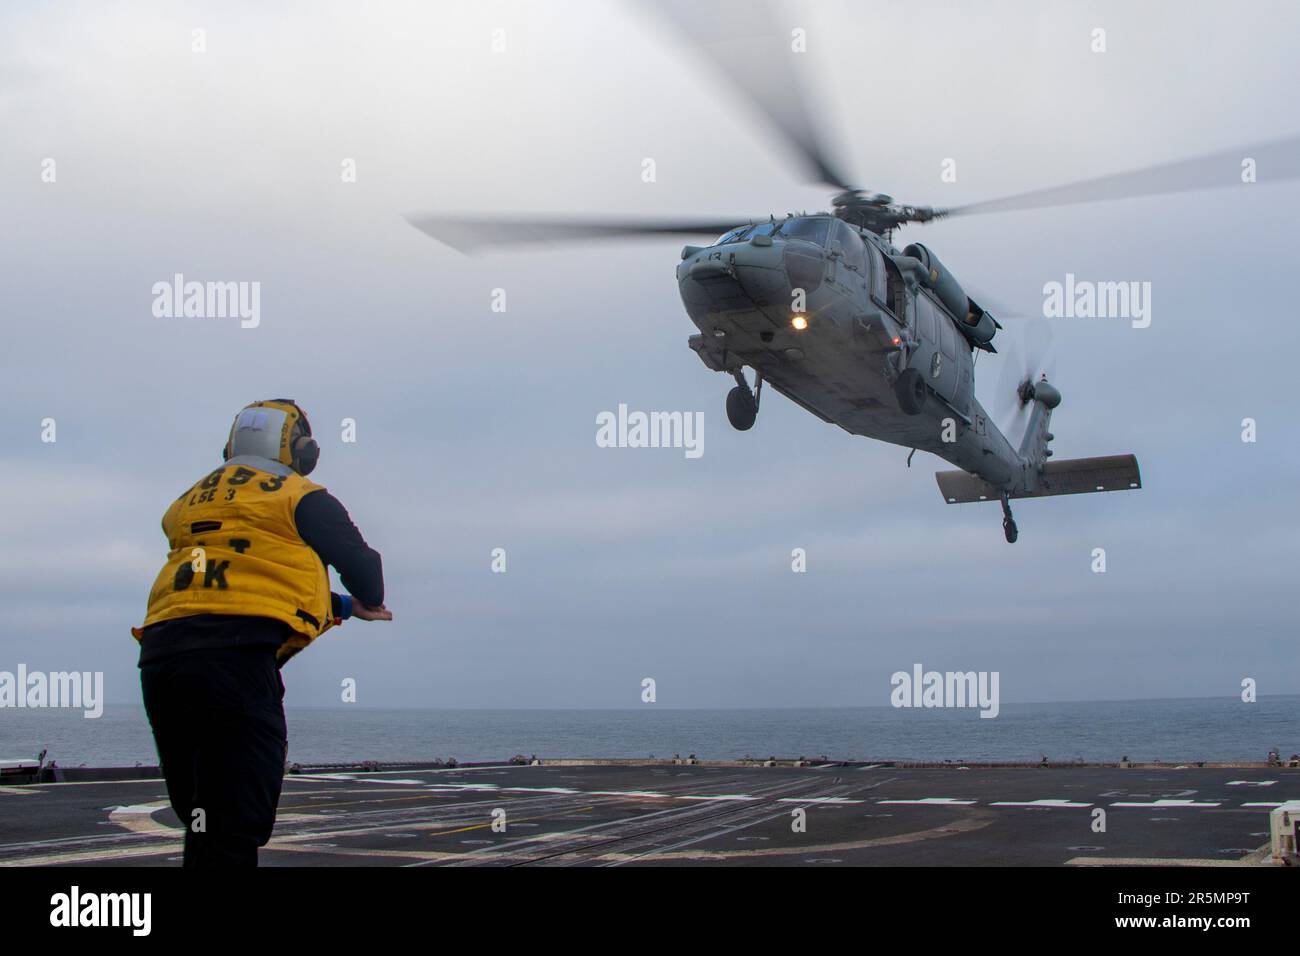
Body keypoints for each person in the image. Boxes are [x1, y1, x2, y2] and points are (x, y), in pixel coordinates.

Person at [132, 399, 392, 866]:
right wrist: (363, 597)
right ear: (301, 450)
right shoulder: (299, 495)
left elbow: (241, 579)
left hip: (161, 660)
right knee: (236, 818)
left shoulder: (187, 502)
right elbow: (366, 571)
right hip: (235, 665)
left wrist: (344, 608)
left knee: (202, 817)